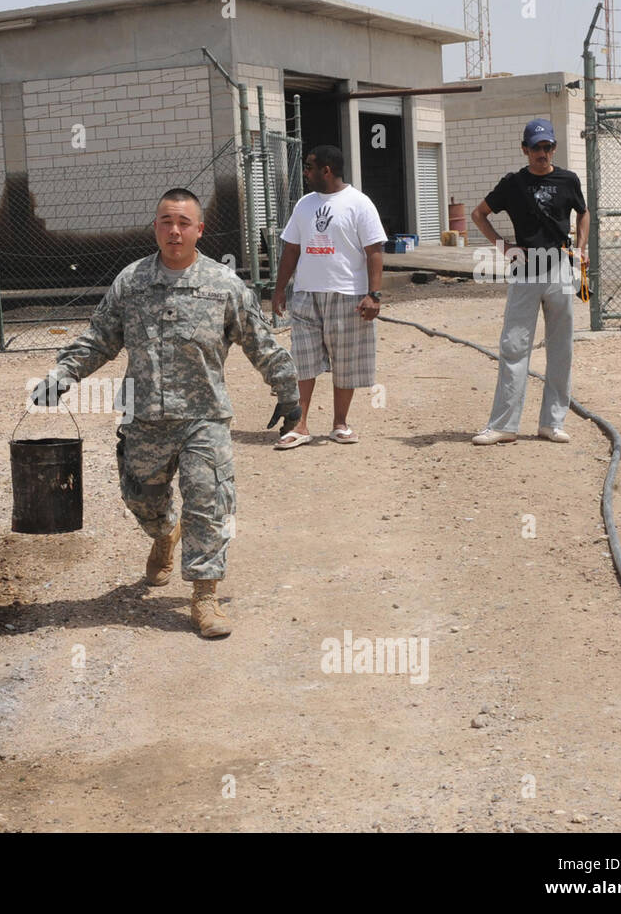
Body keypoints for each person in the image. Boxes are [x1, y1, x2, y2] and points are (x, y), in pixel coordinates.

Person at [32, 189, 301, 638]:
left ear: (199, 230)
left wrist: (288, 393)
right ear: (155, 227)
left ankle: (204, 597)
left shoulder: (224, 286)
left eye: (183, 222)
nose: (174, 231)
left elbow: (261, 342)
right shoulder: (131, 283)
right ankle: (164, 533)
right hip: (145, 419)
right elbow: (99, 339)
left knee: (209, 502)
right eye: (165, 222)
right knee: (141, 499)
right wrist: (63, 375)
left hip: (204, 417)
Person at [469, 118, 589, 445]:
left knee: (561, 347)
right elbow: (479, 214)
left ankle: (552, 422)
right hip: (526, 269)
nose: (542, 153)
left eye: (547, 146)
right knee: (514, 345)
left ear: (554, 148)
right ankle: (504, 425)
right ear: (525, 149)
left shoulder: (568, 180)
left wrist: (581, 248)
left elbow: (583, 211)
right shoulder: (513, 184)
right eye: (536, 147)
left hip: (562, 269)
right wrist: (502, 246)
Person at [271, 145, 387, 447]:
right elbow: (292, 249)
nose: (305, 173)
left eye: (309, 167)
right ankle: (300, 425)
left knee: (345, 361)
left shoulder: (359, 203)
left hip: (347, 295)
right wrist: (280, 288)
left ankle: (340, 423)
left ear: (327, 170)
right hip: (307, 294)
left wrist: (373, 295)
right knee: (304, 360)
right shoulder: (304, 205)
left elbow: (374, 250)